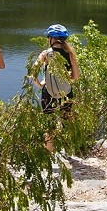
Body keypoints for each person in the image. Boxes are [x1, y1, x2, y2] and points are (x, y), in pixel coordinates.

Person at [29, 24, 80, 152]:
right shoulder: (70, 54)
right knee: (67, 121)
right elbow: (75, 77)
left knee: (49, 125)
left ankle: (49, 155)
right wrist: (65, 78)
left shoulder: (46, 54)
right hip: (66, 93)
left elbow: (32, 72)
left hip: (48, 93)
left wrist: (41, 85)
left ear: (51, 39)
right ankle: (69, 151)